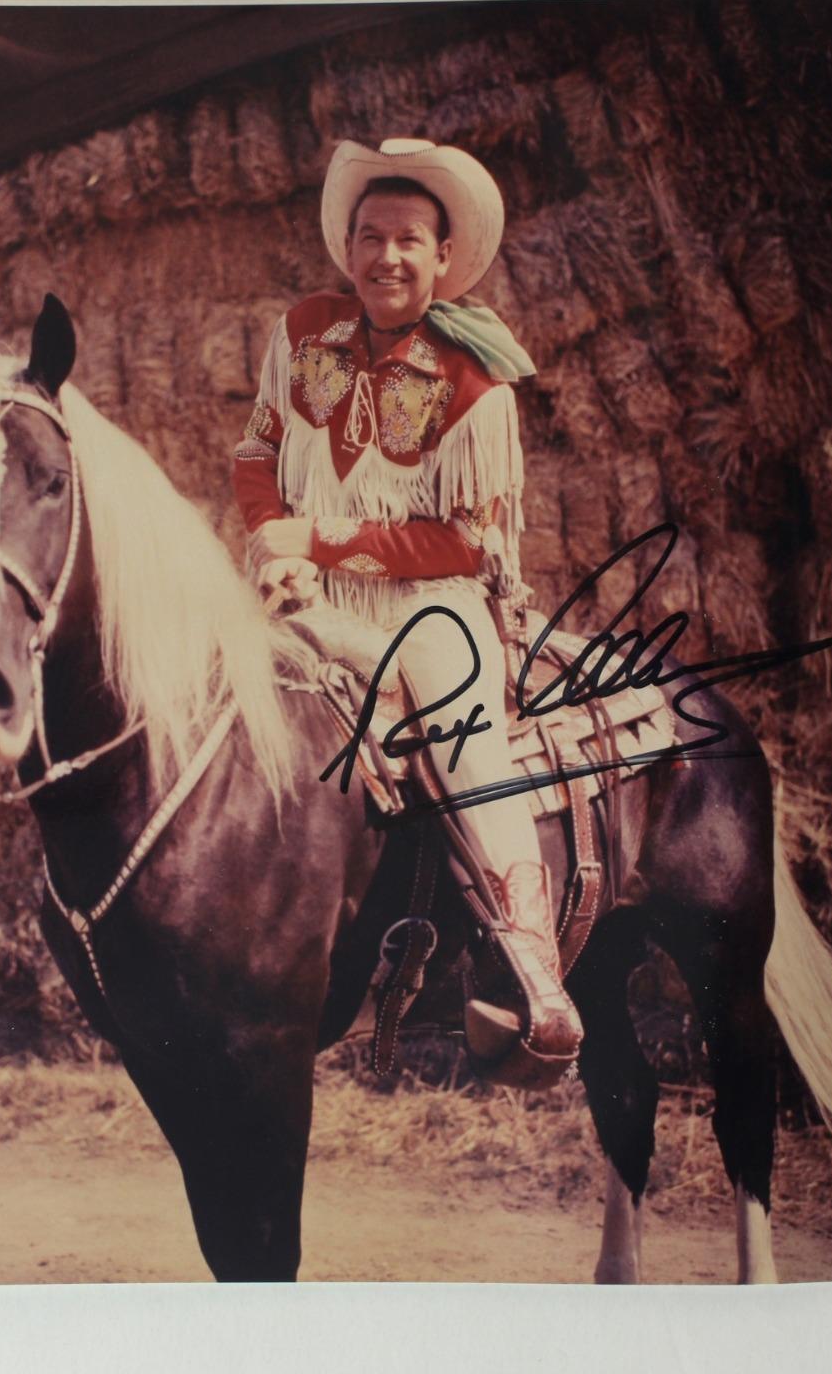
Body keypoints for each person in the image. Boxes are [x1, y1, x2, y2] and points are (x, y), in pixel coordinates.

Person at [231, 137, 581, 1079]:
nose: (387, 256)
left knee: (469, 739)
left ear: (443, 257)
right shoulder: (304, 332)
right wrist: (273, 545)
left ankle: (534, 971)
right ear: (347, 248)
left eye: (410, 240)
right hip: (309, 597)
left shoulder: (477, 378)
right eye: (370, 236)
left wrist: (321, 539)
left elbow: (467, 541)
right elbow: (255, 454)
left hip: (432, 604)